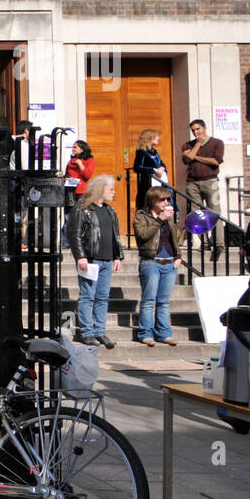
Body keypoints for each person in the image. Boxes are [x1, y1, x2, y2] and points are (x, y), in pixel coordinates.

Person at [70, 175, 122, 349]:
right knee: (87, 296)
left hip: (107, 260)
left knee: (102, 297)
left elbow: (115, 236)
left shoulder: (110, 210)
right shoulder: (82, 209)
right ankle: (86, 332)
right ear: (100, 189)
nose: (113, 192)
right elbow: (74, 234)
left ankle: (100, 331)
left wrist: (117, 256)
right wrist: (80, 256)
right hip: (91, 260)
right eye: (111, 189)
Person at [133, 187, 179, 347]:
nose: (166, 203)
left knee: (164, 301)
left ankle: (164, 333)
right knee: (149, 300)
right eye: (162, 200)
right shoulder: (142, 216)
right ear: (153, 200)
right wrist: (159, 220)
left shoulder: (169, 218)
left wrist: (178, 256)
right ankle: (146, 333)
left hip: (169, 262)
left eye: (167, 200)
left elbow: (173, 238)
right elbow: (143, 235)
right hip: (151, 262)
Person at [181, 119, 225, 255]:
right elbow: (187, 160)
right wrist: (197, 145)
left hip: (210, 181)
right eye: (193, 130)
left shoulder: (217, 143)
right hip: (192, 183)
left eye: (198, 129)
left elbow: (216, 161)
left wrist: (196, 157)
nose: (196, 132)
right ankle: (204, 242)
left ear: (204, 128)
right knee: (198, 214)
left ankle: (218, 243)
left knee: (214, 211)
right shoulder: (188, 144)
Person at [62, 140, 95, 245]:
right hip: (70, 191)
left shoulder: (89, 160)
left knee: (82, 216)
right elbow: (66, 174)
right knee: (69, 216)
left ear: (82, 149)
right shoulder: (70, 162)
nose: (73, 149)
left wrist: (80, 164)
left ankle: (82, 240)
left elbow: (87, 175)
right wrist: (66, 179)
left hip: (82, 192)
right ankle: (66, 242)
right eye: (73, 147)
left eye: (75, 147)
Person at [131, 129, 167, 202]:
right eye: (156, 136)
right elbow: (137, 167)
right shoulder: (142, 152)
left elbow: (161, 163)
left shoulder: (154, 152)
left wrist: (163, 168)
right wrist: (153, 170)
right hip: (148, 184)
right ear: (149, 138)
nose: (158, 138)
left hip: (159, 182)